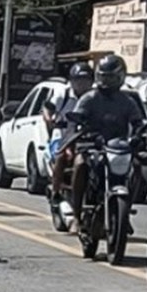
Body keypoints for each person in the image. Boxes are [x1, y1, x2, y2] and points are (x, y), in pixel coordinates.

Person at [67, 54, 142, 225]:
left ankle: (125, 211)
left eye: (110, 77)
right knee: (80, 165)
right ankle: (77, 215)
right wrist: (83, 129)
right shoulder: (89, 98)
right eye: (103, 77)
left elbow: (138, 122)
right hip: (92, 147)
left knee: (137, 168)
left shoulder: (127, 101)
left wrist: (139, 135)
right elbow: (77, 119)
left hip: (118, 149)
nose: (106, 81)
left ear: (120, 77)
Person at [46, 62, 94, 219]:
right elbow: (48, 109)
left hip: (87, 137)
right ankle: (55, 192)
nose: (83, 84)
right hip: (64, 136)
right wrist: (51, 121)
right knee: (61, 156)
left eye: (86, 80)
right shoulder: (63, 94)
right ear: (72, 81)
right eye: (79, 80)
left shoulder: (95, 97)